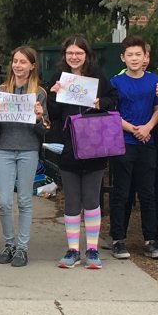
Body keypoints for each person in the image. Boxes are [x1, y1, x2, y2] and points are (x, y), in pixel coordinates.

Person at [48, 35, 116, 269]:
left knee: (91, 200)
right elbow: (54, 114)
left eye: (79, 53)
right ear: (64, 56)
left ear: (86, 55)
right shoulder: (58, 79)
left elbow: (112, 100)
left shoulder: (97, 77)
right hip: (69, 147)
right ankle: (73, 250)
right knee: (72, 201)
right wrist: (53, 93)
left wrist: (99, 103)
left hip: (94, 145)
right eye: (70, 53)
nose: (74, 57)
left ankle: (93, 250)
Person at [0, 46, 48, 267]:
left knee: (24, 200)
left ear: (32, 66)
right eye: (15, 61)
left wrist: (40, 118)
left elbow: (44, 132)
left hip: (28, 150)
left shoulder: (39, 93)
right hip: (5, 148)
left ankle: (22, 248)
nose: (18, 65)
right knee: (3, 201)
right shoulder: (2, 91)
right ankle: (9, 244)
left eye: (23, 62)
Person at [108, 35, 158, 261]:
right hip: (124, 142)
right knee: (121, 192)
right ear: (123, 58)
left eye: (138, 54)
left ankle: (150, 240)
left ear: (145, 57)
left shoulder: (155, 81)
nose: (134, 58)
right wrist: (134, 129)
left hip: (147, 142)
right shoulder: (116, 82)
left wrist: (148, 127)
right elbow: (113, 113)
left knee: (148, 192)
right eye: (129, 55)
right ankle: (118, 239)